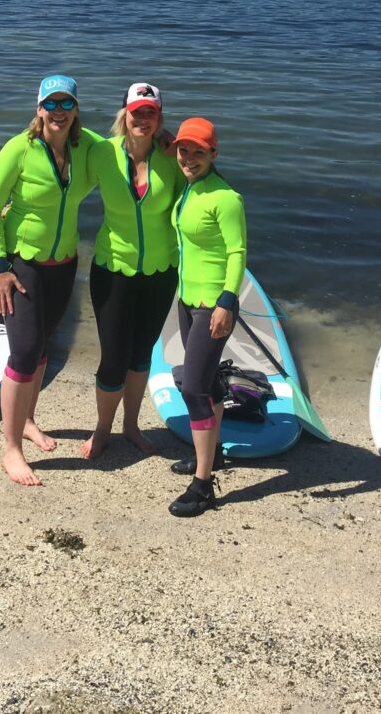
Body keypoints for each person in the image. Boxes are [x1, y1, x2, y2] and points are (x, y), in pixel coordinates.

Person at [0, 75, 100, 487]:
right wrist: (0, 267)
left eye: (66, 104)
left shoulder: (88, 147)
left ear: (76, 110)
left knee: (44, 344)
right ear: (38, 110)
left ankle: (29, 420)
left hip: (64, 262)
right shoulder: (19, 149)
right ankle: (11, 449)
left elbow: (129, 151)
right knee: (25, 351)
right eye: (51, 104)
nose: (59, 112)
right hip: (22, 264)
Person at [80, 83, 183, 460]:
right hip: (113, 269)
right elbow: (63, 176)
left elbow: (206, 185)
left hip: (161, 271)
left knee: (142, 354)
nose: (143, 119)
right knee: (113, 357)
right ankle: (103, 429)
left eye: (150, 112)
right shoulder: (100, 153)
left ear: (159, 118)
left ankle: (132, 426)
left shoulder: (172, 157)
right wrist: (15, 206)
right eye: (137, 111)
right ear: (124, 112)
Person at [166, 117, 246, 517]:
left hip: (212, 305)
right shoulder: (190, 188)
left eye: (199, 151)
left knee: (194, 387)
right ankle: (211, 457)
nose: (189, 158)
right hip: (187, 299)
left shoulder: (225, 197)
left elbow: (237, 253)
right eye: (184, 149)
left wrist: (227, 302)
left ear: (214, 154)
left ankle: (203, 486)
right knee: (209, 382)